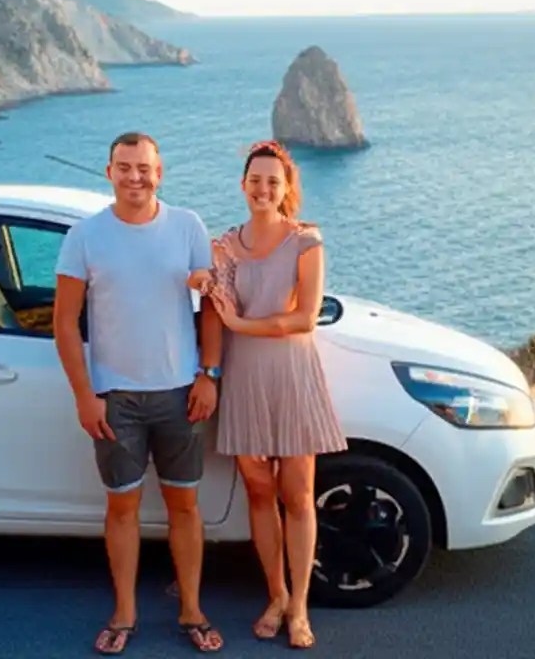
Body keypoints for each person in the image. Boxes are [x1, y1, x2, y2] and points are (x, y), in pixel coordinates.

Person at [53, 132, 225, 655]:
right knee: (122, 509)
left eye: (144, 168)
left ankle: (191, 610)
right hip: (116, 399)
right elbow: (64, 323)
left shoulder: (188, 226)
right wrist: (85, 395)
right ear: (109, 173)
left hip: (180, 394)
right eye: (125, 167)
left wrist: (208, 375)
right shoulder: (85, 236)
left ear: (160, 172)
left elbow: (211, 306)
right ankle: (125, 612)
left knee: (185, 507)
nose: (135, 177)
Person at [200, 140, 348, 649]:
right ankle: (276, 595)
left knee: (299, 494)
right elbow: (213, 316)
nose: (263, 189)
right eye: (254, 180)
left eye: (273, 182)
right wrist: (210, 373)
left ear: (286, 190)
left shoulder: (307, 241)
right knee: (259, 493)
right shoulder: (222, 247)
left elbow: (305, 317)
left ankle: (301, 606)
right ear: (243, 185)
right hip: (243, 379)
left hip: (293, 376)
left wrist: (242, 321)